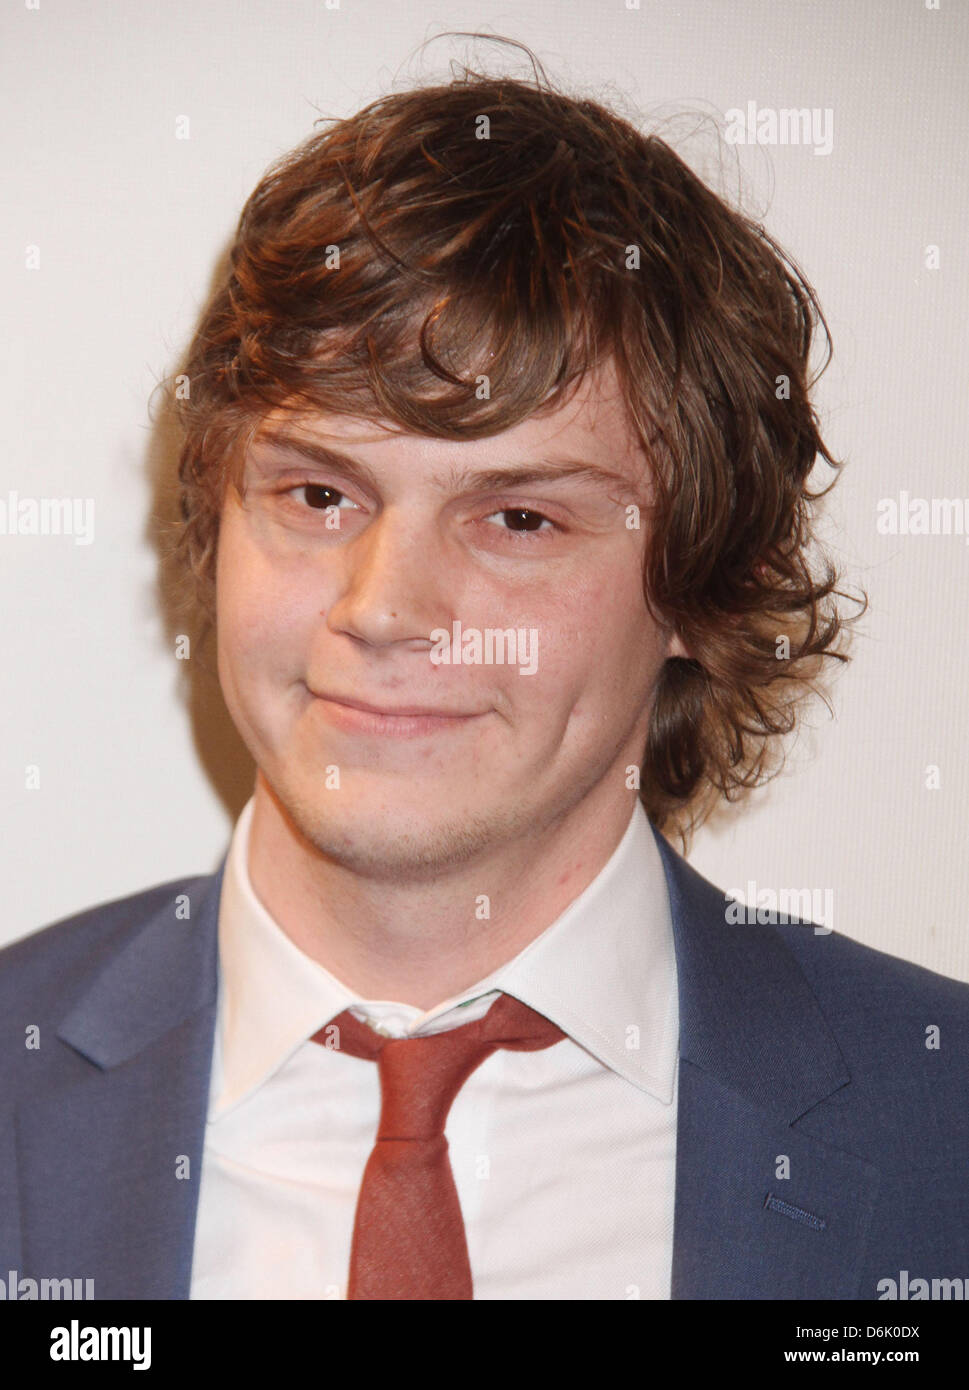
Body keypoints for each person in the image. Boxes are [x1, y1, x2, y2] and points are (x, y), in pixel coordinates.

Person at [3, 45, 968, 1303]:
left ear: (701, 579)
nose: (386, 610)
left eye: (520, 518)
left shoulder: (937, 1131)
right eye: (317, 493)